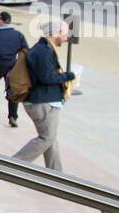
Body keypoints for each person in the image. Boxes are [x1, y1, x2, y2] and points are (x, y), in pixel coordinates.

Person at [13, 20, 76, 171]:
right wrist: (68, 76)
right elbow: (46, 78)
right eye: (65, 33)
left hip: (46, 100)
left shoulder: (45, 49)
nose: (67, 37)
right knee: (47, 138)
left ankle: (55, 174)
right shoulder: (43, 52)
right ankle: (14, 164)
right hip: (42, 102)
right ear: (55, 34)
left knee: (50, 139)